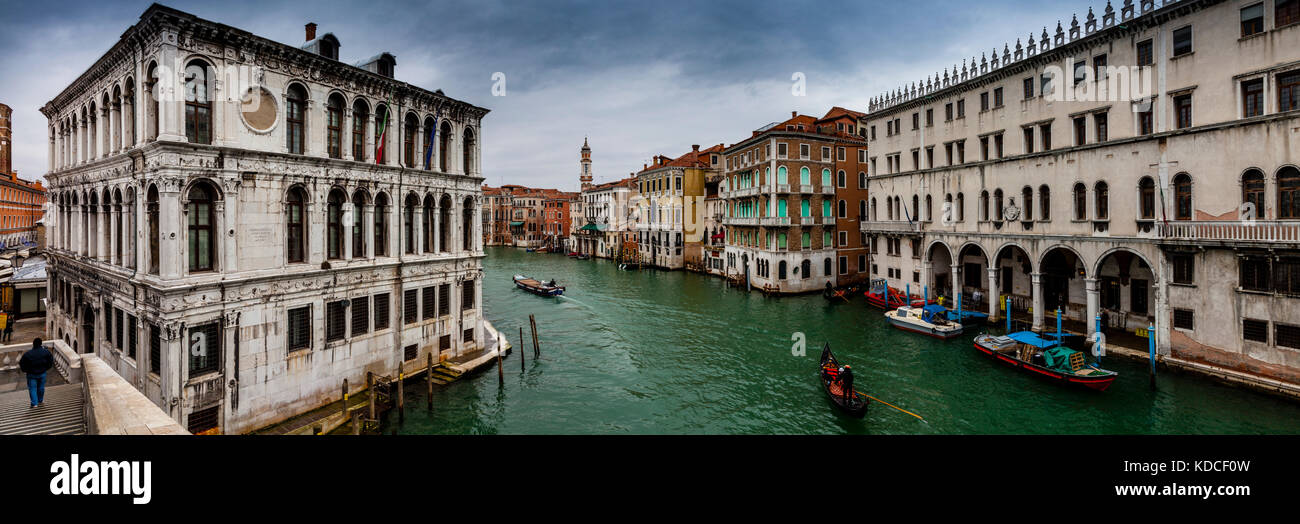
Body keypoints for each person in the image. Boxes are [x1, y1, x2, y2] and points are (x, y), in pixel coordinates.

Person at [19, 338, 53, 408]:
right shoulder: (46, 352)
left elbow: (22, 363)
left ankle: (34, 404)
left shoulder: (27, 354)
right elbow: (50, 361)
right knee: (41, 387)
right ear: (41, 344)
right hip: (42, 373)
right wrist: (46, 368)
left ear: (33, 344)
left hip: (31, 374)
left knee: (32, 388)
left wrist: (25, 370)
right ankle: (40, 400)